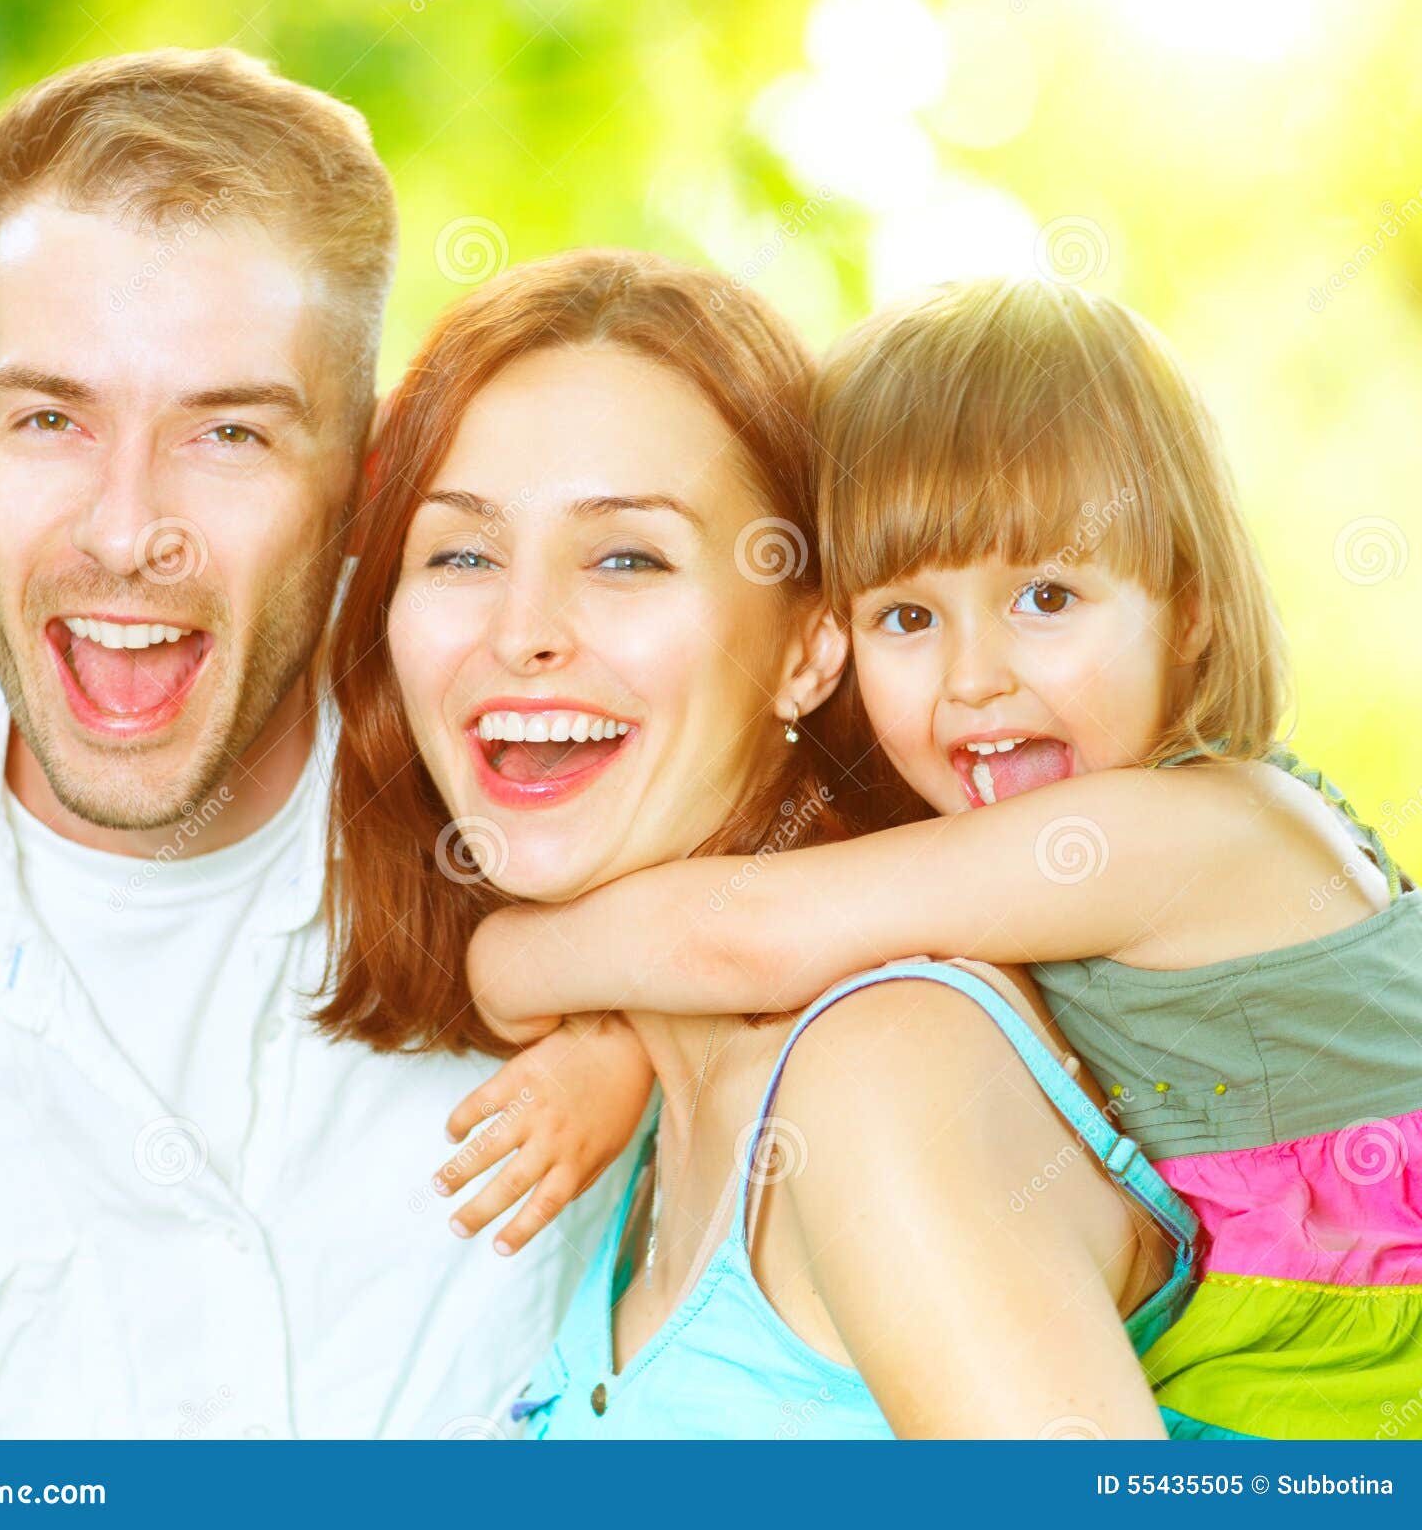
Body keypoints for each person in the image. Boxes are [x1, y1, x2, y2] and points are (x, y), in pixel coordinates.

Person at [0, 48, 646, 1440]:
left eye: (229, 435)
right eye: (49, 419)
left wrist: (635, 1017)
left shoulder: (533, 755)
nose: (123, 531)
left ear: (366, 484)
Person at [465, 277, 1422, 1440]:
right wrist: (619, 1052)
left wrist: (508, 958)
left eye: (1046, 596)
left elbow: (750, 937)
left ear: (1190, 610)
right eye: (908, 618)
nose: (975, 677)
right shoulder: (1036, 870)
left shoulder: (1189, 833)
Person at [323, 249, 1197, 1439]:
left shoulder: (881, 1072)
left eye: (628, 557)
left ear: (808, 647)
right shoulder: (649, 1122)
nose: (521, 632)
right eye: (461, 554)